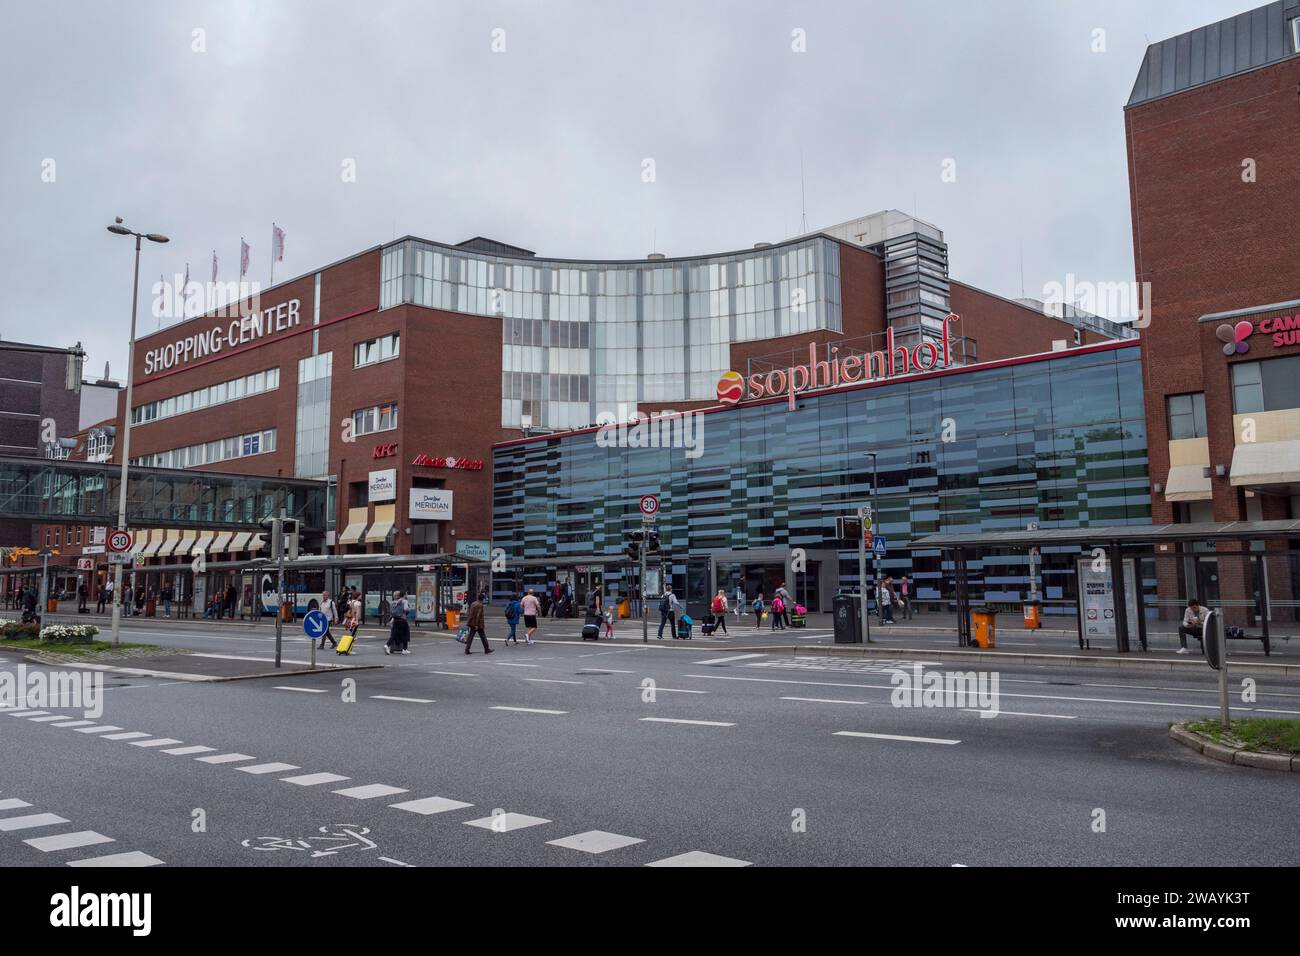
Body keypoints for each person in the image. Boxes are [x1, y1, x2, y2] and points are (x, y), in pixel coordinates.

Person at [463, 590, 493, 655]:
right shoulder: (480, 605)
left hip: (471, 623)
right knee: (483, 637)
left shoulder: (473, 603)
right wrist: (476, 625)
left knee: (470, 637)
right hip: (478, 624)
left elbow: (470, 614)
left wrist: (468, 623)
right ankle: (487, 649)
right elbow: (478, 616)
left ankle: (467, 650)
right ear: (483, 599)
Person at [384, 590, 411, 655]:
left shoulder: (393, 602)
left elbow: (392, 612)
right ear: (403, 595)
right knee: (405, 634)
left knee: (394, 634)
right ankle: (404, 649)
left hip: (395, 620)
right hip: (402, 620)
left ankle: (387, 645)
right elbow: (406, 609)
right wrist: (408, 609)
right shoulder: (404, 601)